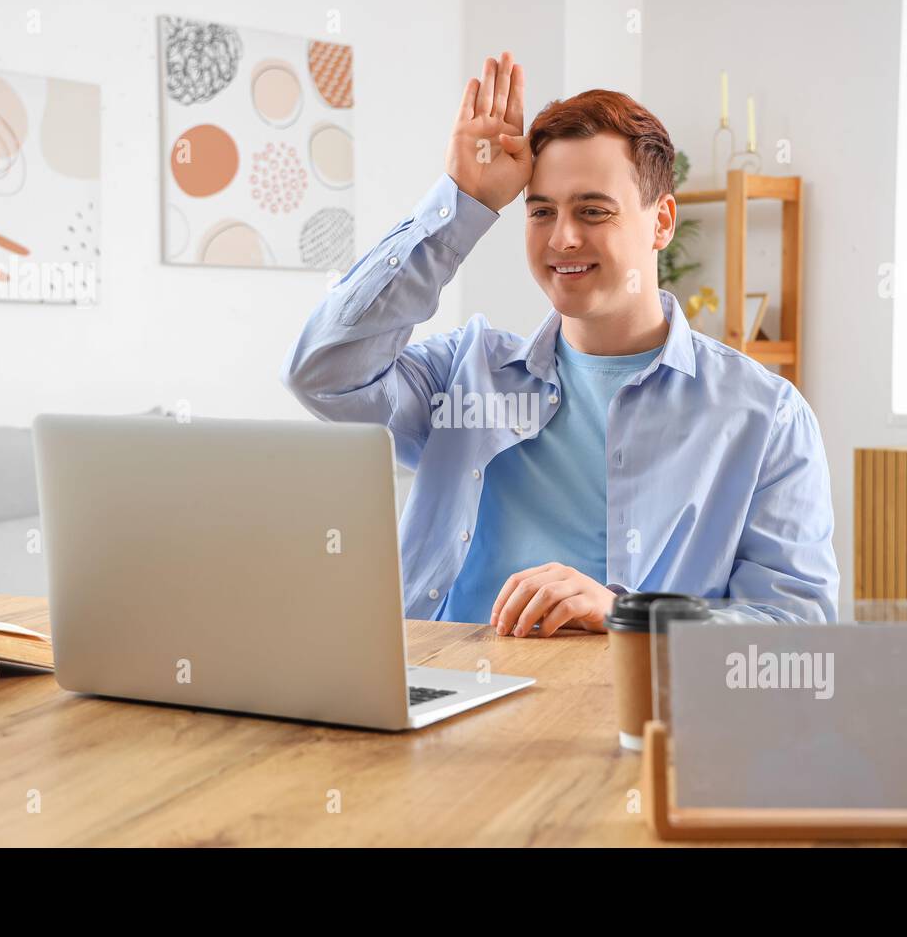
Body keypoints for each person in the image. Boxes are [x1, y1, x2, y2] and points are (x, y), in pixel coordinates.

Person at [282, 51, 839, 636]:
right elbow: (321, 374)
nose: (563, 238)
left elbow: (793, 626)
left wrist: (629, 615)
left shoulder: (766, 417)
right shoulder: (465, 374)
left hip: (614, 714)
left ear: (663, 222)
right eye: (541, 211)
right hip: (438, 693)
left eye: (593, 211)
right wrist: (459, 206)